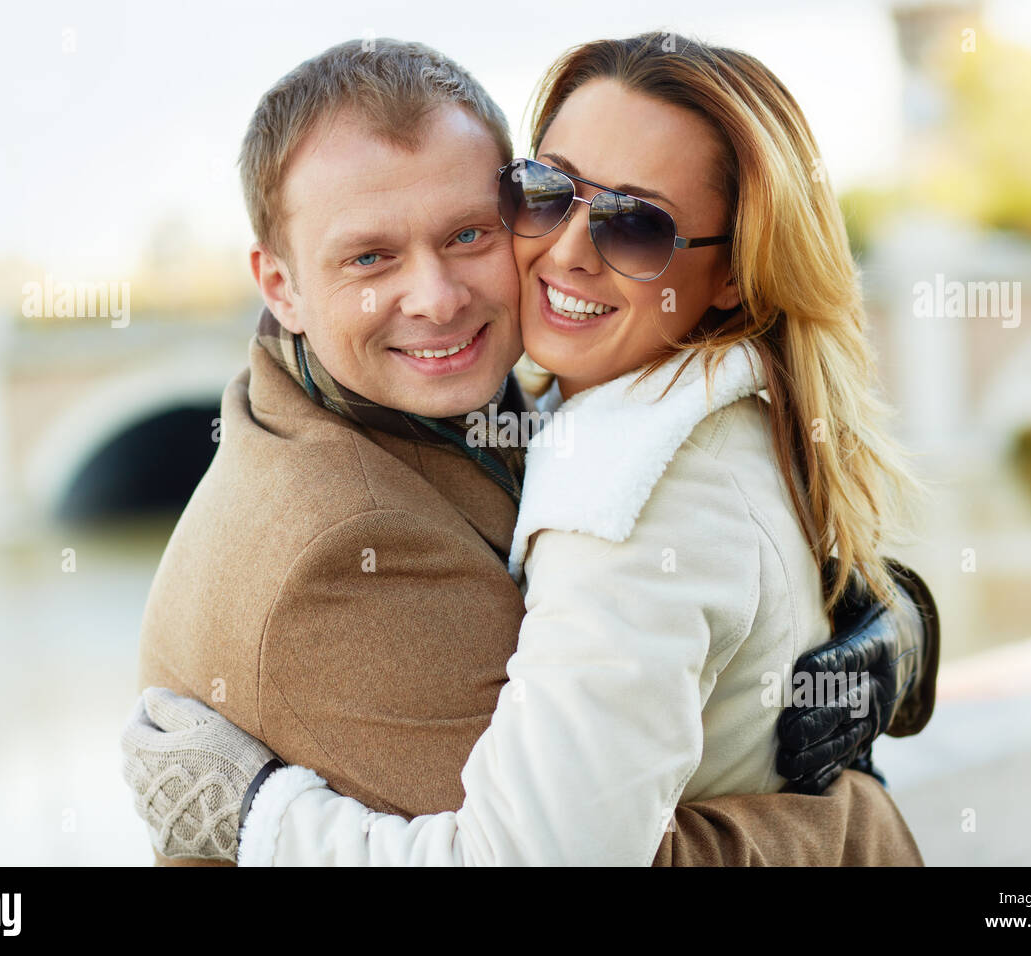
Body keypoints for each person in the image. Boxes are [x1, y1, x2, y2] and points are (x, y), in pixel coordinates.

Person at [122, 36, 938, 866]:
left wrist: (872, 617)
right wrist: (856, 821)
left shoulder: (563, 419)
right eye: (370, 257)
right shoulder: (348, 548)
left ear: (734, 269)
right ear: (280, 287)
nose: (438, 299)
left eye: (471, 232)